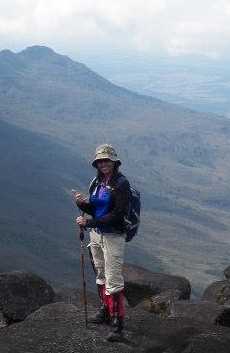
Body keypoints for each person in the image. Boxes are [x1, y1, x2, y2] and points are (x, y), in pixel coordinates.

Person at [75, 143, 132, 342]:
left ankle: (117, 327)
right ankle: (106, 311)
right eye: (99, 161)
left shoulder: (122, 184)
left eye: (106, 160)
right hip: (96, 235)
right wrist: (82, 204)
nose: (103, 164)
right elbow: (96, 209)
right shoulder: (97, 182)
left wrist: (89, 222)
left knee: (113, 279)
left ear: (114, 162)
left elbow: (118, 215)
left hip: (113, 237)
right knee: (100, 274)